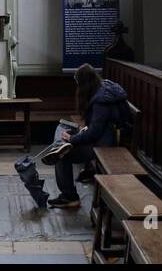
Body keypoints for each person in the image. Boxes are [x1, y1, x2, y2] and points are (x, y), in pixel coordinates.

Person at [44, 63, 130, 209]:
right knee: (62, 127)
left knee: (62, 156)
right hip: (104, 137)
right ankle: (60, 145)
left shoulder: (101, 101)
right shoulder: (103, 88)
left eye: (78, 84)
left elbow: (94, 134)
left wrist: (72, 139)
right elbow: (97, 127)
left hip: (104, 145)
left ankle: (69, 197)